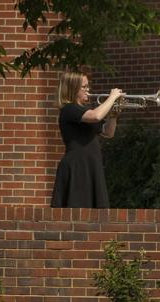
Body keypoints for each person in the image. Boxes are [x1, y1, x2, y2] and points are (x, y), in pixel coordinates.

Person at [50, 72, 125, 208]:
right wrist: (112, 97)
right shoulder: (69, 109)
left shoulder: (83, 110)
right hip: (77, 166)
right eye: (83, 87)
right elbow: (96, 116)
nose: (88, 90)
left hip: (91, 166)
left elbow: (108, 132)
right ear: (73, 88)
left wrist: (114, 113)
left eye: (87, 86)